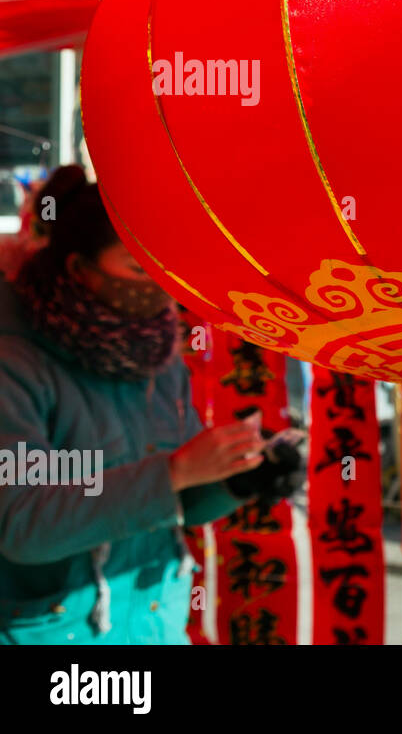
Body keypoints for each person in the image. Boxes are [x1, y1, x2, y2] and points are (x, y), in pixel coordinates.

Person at [0, 166, 296, 643]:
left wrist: (235, 477)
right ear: (79, 269)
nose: (156, 285)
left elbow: (175, 502)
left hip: (154, 623)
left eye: (161, 267)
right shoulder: (15, 361)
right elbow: (23, 522)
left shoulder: (155, 353)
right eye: (139, 269)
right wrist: (175, 471)